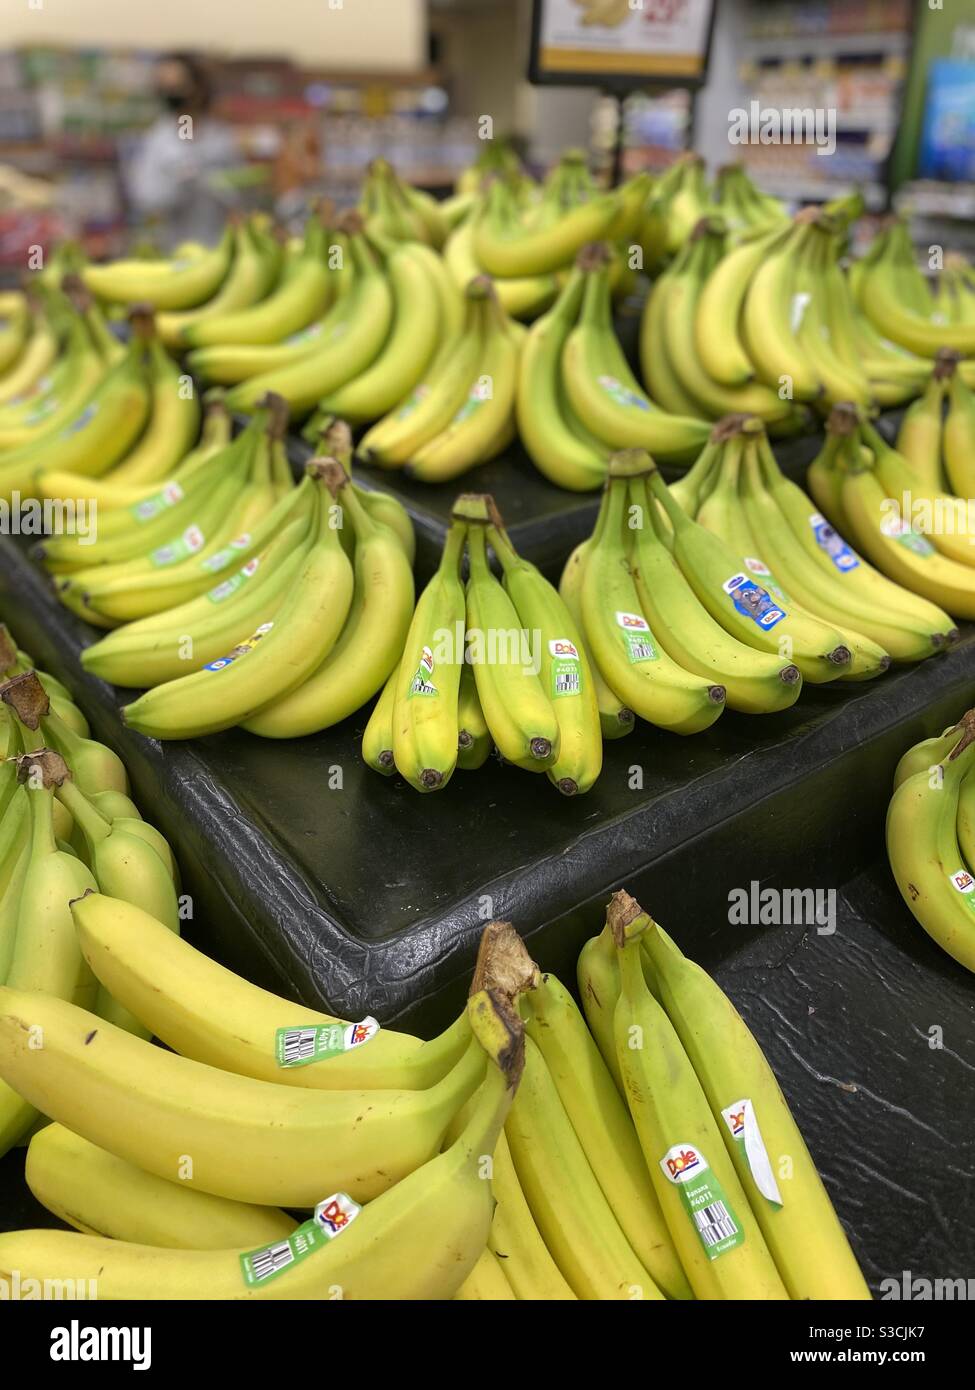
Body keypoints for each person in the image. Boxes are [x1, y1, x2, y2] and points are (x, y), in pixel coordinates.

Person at [125, 53, 241, 250]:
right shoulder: (163, 136)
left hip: (217, 244)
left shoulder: (218, 135)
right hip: (174, 247)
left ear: (197, 86)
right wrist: (185, 175)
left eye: (177, 85)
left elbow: (238, 193)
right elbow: (147, 197)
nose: (170, 91)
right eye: (165, 85)